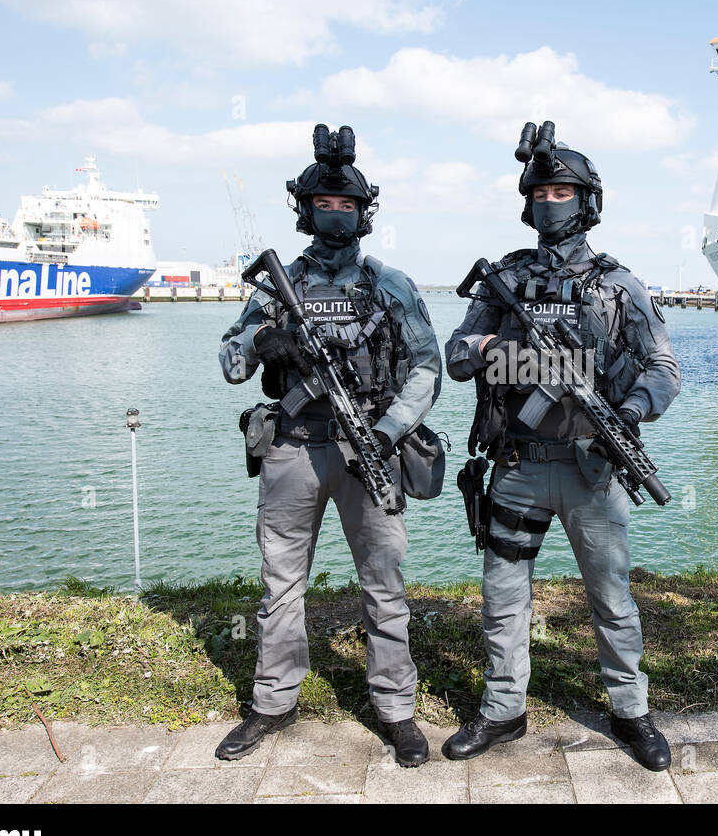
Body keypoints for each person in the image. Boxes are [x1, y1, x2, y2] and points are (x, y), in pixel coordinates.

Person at [443, 123, 681, 771]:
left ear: (587, 200)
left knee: (611, 597)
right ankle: (502, 710)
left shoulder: (617, 284)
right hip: (517, 466)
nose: (552, 199)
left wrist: (630, 411)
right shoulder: (505, 278)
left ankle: (631, 711)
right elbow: (457, 356)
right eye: (541, 189)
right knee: (503, 597)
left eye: (563, 189)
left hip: (591, 469)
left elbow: (664, 368)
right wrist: (499, 349)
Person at [216, 125, 442, 766]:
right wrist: (266, 343)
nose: (335, 215)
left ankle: (396, 708)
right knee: (281, 583)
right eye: (324, 205)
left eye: (347, 206)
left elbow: (426, 368)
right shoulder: (276, 283)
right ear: (305, 210)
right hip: (292, 449)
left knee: (384, 583)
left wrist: (389, 430)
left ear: (364, 213)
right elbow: (232, 362)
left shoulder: (389, 284)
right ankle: (272, 702)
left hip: (369, 448)